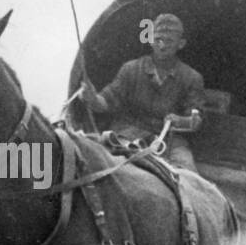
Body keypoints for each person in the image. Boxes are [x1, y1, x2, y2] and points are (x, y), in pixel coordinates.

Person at [79, 13, 203, 171]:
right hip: (127, 133)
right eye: (158, 39)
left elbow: (195, 121)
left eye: (169, 41)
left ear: (181, 44)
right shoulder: (131, 69)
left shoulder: (191, 77)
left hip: (169, 142)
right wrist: (92, 98)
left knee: (189, 176)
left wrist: (180, 120)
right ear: (150, 40)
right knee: (99, 167)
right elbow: (106, 101)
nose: (162, 46)